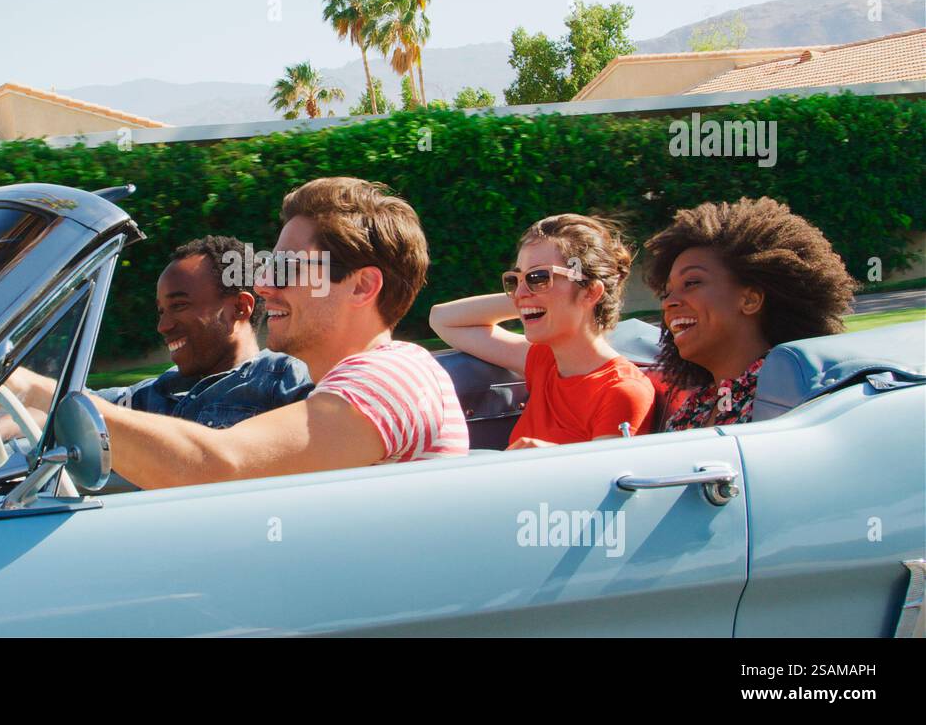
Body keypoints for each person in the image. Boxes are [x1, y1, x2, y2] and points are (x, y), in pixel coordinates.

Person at [87, 176, 469, 490]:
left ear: (361, 287)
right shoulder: (366, 379)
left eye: (287, 268)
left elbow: (218, 468)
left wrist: (53, 400)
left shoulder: (389, 378)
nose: (264, 284)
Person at [0, 235, 313, 478]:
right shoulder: (153, 393)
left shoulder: (284, 380)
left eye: (180, 306)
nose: (163, 326)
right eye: (160, 311)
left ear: (239, 307)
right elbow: (77, 408)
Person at [429, 214, 654, 448]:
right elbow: (443, 319)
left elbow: (605, 478)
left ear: (590, 292)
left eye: (539, 277)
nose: (519, 292)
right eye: (515, 280)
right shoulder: (544, 361)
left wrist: (550, 457)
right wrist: (531, 300)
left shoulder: (621, 391)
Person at [644, 196, 856, 431]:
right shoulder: (697, 407)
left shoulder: (794, 399)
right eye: (667, 293)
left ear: (750, 299)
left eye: (691, 282)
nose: (669, 303)